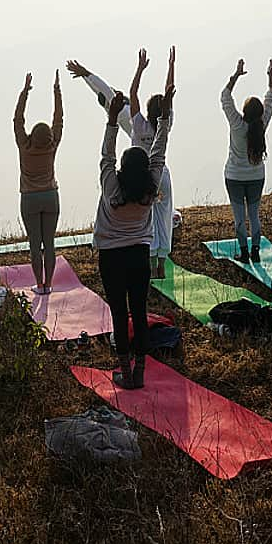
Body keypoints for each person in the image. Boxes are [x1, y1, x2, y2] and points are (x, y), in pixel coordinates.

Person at [94, 67, 174, 391]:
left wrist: (112, 120)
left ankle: (125, 372)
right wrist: (165, 117)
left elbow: (106, 154)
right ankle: (139, 370)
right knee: (139, 312)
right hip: (139, 254)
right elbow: (159, 150)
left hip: (112, 257)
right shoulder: (149, 189)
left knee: (118, 312)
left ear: (122, 170)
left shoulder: (112, 187)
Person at [221, 58, 272, 263]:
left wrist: (236, 75)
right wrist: (270, 74)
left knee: (239, 217)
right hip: (256, 176)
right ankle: (255, 251)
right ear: (260, 112)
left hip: (234, 176)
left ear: (244, 111)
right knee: (254, 214)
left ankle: (243, 252)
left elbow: (225, 97)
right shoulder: (262, 125)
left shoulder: (237, 124)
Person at [127, 47, 176, 278]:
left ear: (148, 111)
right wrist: (171, 66)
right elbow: (170, 95)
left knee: (146, 220)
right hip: (162, 177)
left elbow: (132, 93)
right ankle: (161, 266)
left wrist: (140, 69)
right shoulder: (164, 124)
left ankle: (148, 264)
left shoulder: (139, 125)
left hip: (141, 179)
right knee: (164, 218)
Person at [14, 69, 63, 294]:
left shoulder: (24, 146)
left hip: (30, 199)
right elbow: (59, 120)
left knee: (35, 244)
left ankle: (39, 284)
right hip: (51, 196)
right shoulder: (52, 146)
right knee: (49, 243)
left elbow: (18, 120)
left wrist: (24, 92)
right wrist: (57, 91)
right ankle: (50, 284)